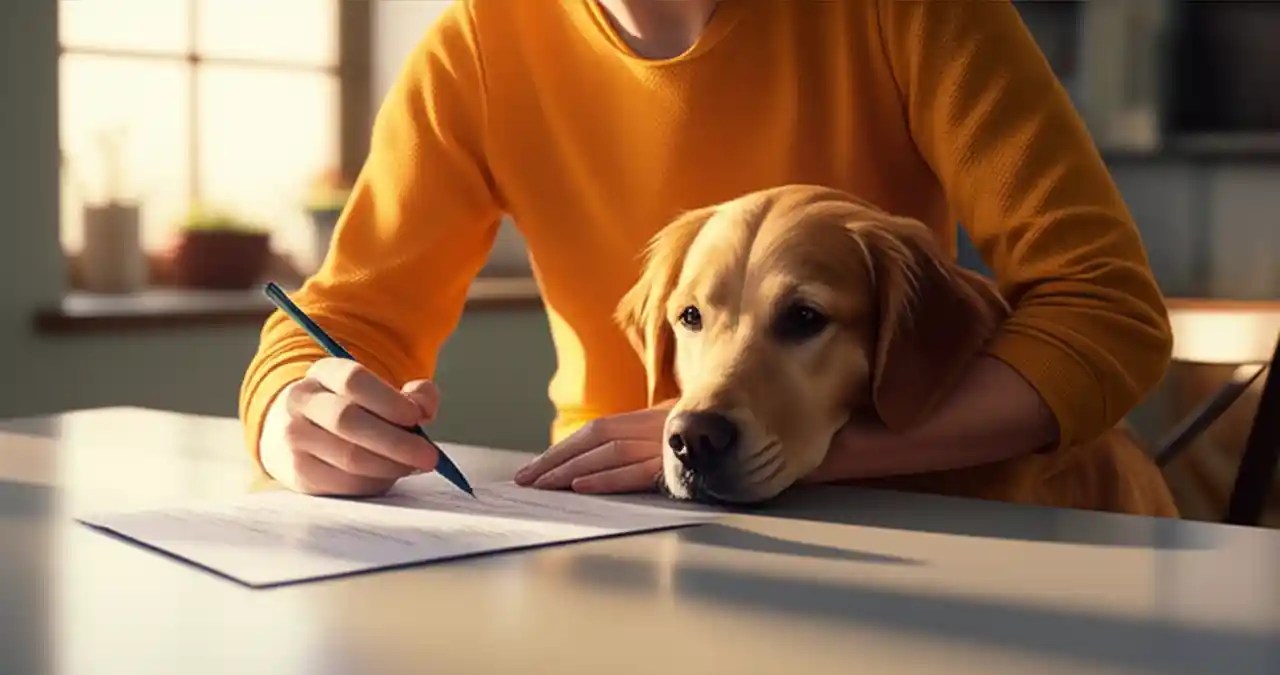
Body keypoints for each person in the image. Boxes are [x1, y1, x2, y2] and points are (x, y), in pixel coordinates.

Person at [241, 0, 1173, 498]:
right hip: (613, 536)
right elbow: (343, 323)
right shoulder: (478, 43)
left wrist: (779, 454)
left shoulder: (910, 10)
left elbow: (1104, 311)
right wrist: (293, 414)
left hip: (916, 510)